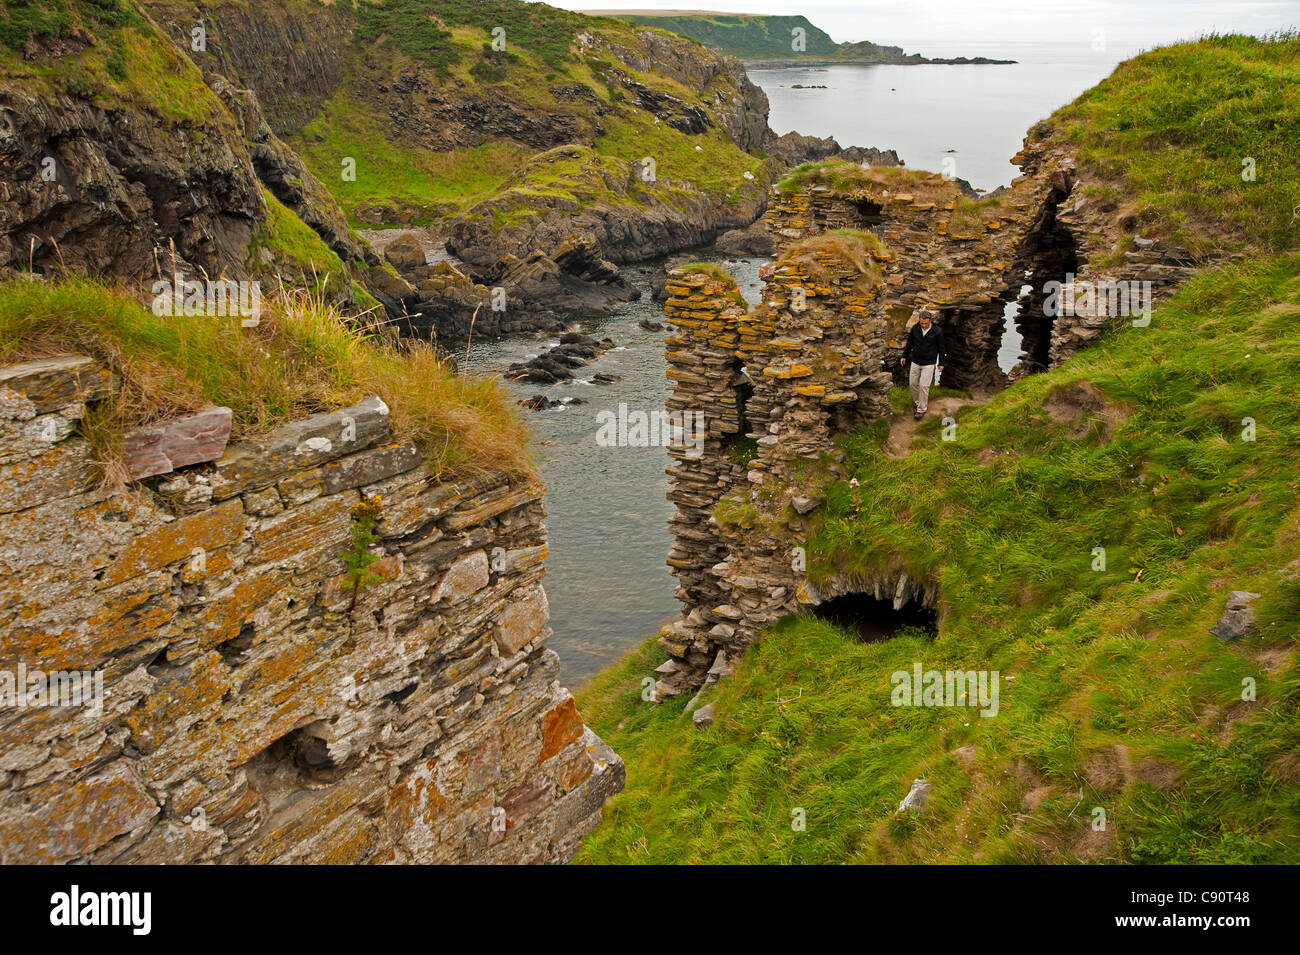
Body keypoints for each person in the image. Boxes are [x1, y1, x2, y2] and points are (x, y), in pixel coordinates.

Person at [900, 308, 946, 420]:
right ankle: (918, 402)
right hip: (916, 361)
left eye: (925, 323)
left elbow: (941, 348)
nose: (923, 325)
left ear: (930, 321)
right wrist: (904, 356)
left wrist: (941, 363)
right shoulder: (915, 328)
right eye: (922, 323)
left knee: (924, 386)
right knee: (913, 384)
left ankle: (921, 410)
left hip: (929, 363)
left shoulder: (937, 331)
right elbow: (909, 343)